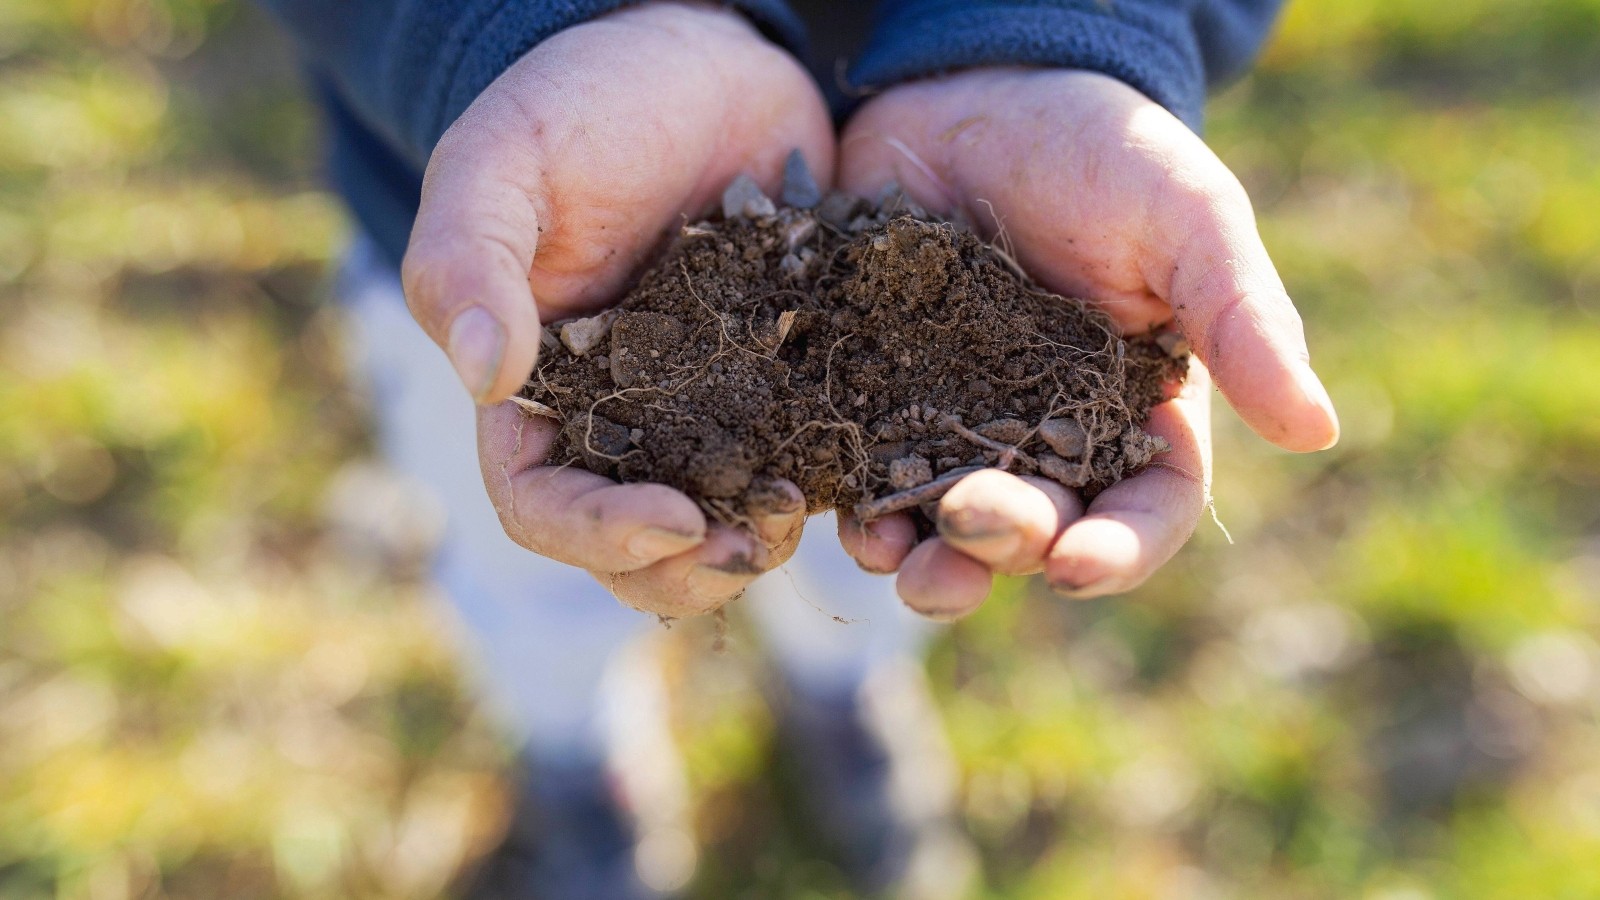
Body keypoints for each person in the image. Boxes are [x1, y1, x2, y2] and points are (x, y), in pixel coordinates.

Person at [258, 0, 1340, 895]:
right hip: (534, 228)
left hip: (980, 131)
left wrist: (1060, 29)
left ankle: (844, 703)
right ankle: (579, 770)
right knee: (537, 558)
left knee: (886, 548)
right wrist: (517, 29)